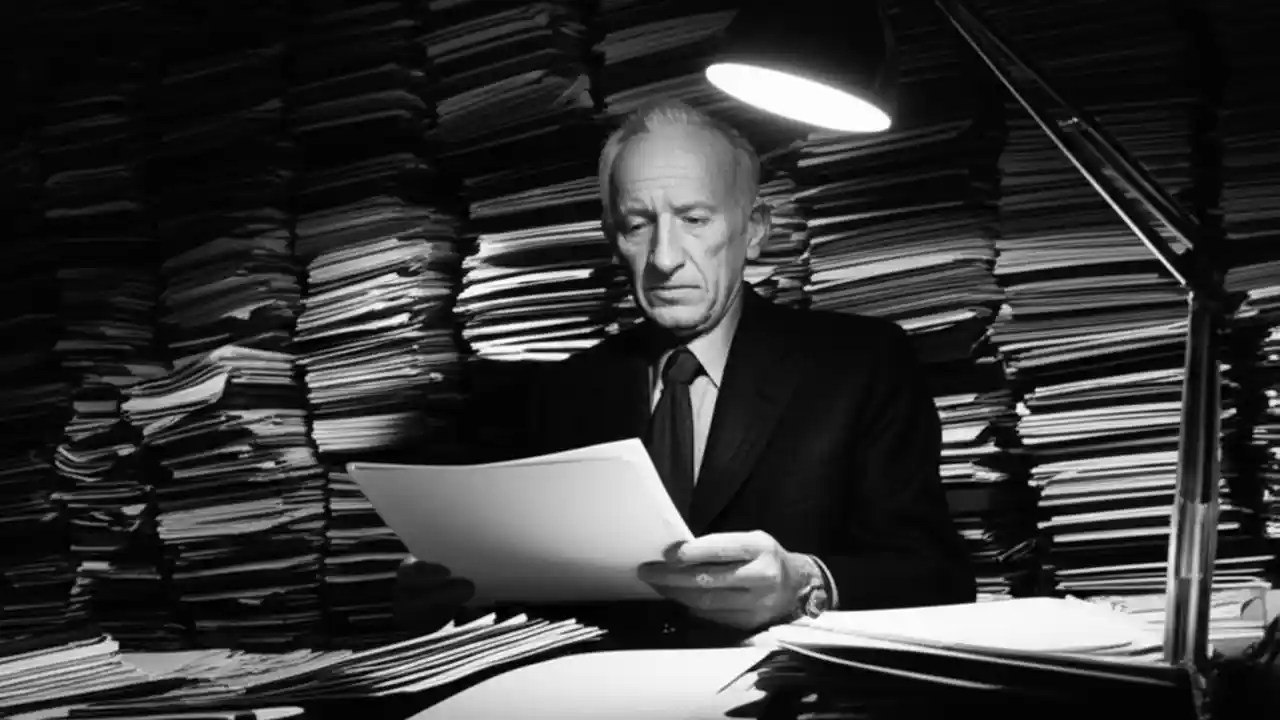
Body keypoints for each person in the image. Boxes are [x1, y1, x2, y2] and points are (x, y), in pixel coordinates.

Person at [396, 98, 976, 643]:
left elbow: (938, 577)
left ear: (753, 230)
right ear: (611, 238)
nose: (665, 258)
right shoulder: (564, 391)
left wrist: (804, 583)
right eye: (637, 225)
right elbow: (548, 596)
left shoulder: (861, 363)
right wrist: (457, 595)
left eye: (695, 219)